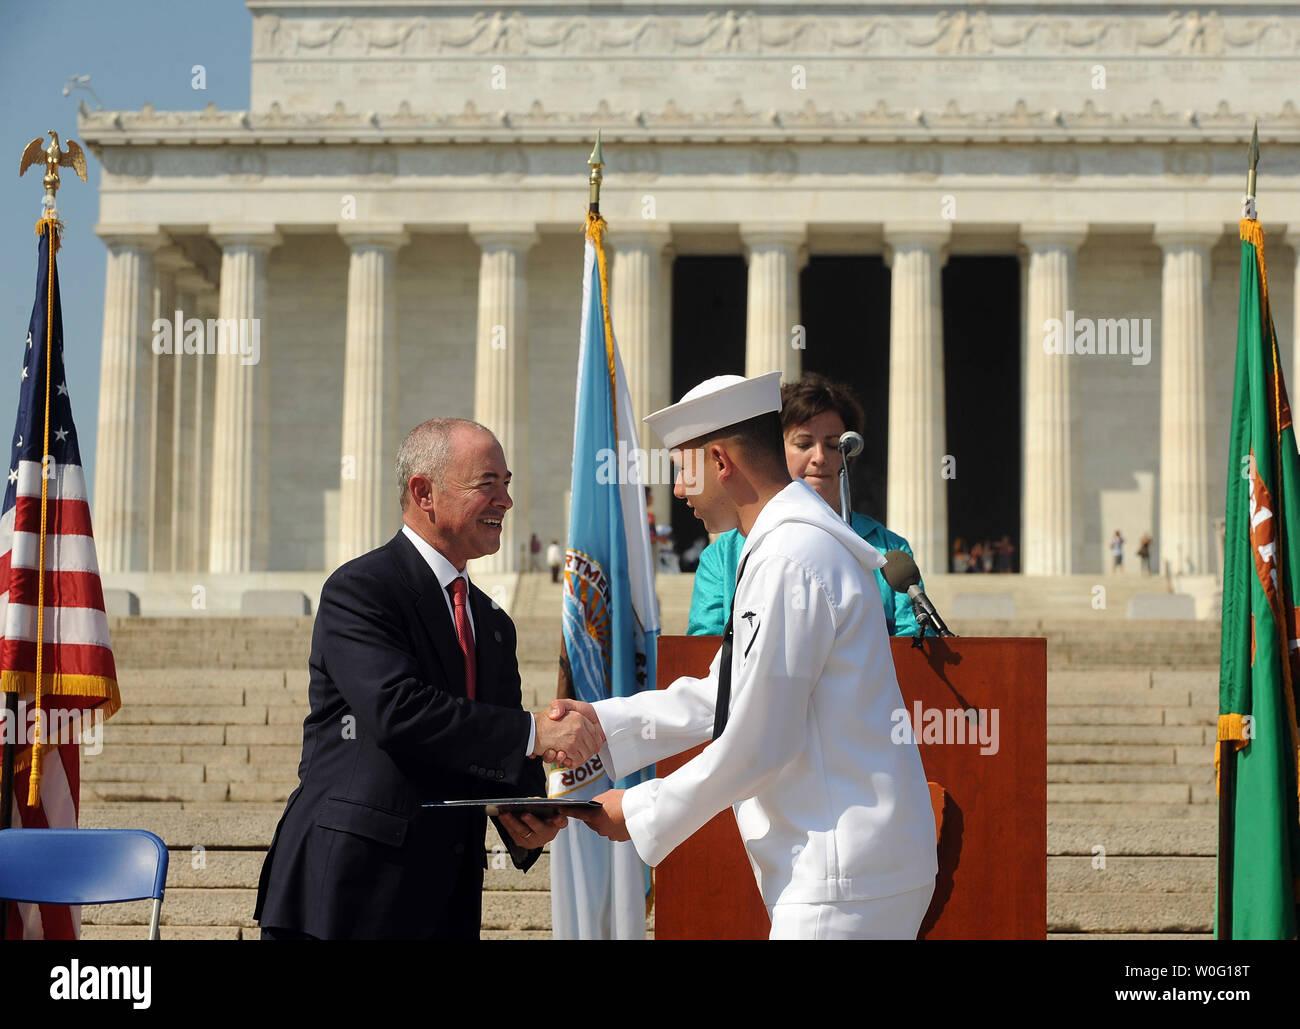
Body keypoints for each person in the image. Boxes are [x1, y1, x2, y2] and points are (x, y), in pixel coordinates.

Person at [561, 372, 938, 939]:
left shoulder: (790, 556)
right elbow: (727, 691)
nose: (678, 493)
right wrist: (602, 721)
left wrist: (638, 812)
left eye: (681, 472)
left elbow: (762, 740)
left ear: (719, 461)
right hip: (846, 865)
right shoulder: (785, 545)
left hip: (841, 876)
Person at [254, 418, 603, 939]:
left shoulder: (492, 623)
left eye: (508, 484)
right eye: (488, 484)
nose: (505, 501)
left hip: (444, 901)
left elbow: (493, 738)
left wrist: (526, 813)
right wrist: (534, 733)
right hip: (344, 896)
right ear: (424, 492)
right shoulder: (360, 590)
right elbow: (399, 712)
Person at [687, 373, 927, 637]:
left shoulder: (891, 551)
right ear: (774, 453)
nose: (820, 458)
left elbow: (915, 644)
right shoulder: (721, 557)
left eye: (834, 445)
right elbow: (704, 651)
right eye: (804, 444)